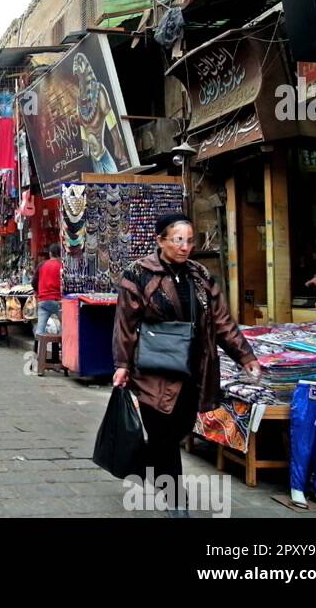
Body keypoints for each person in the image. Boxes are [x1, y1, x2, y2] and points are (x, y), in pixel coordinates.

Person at [113, 214, 259, 514]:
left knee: (179, 427)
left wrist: (245, 356)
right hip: (154, 369)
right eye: (178, 240)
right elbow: (125, 323)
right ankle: (176, 503)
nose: (185, 247)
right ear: (160, 240)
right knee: (163, 435)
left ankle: (149, 466)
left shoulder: (200, 275)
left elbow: (222, 321)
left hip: (193, 369)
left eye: (189, 240)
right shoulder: (138, 274)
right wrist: (122, 364)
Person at [32, 244, 64, 336]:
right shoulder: (61, 266)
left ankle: (39, 348)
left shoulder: (42, 265)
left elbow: (34, 282)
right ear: (59, 254)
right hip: (57, 300)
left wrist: (38, 292)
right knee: (65, 325)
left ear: (50, 253)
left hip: (43, 300)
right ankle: (62, 344)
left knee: (40, 330)